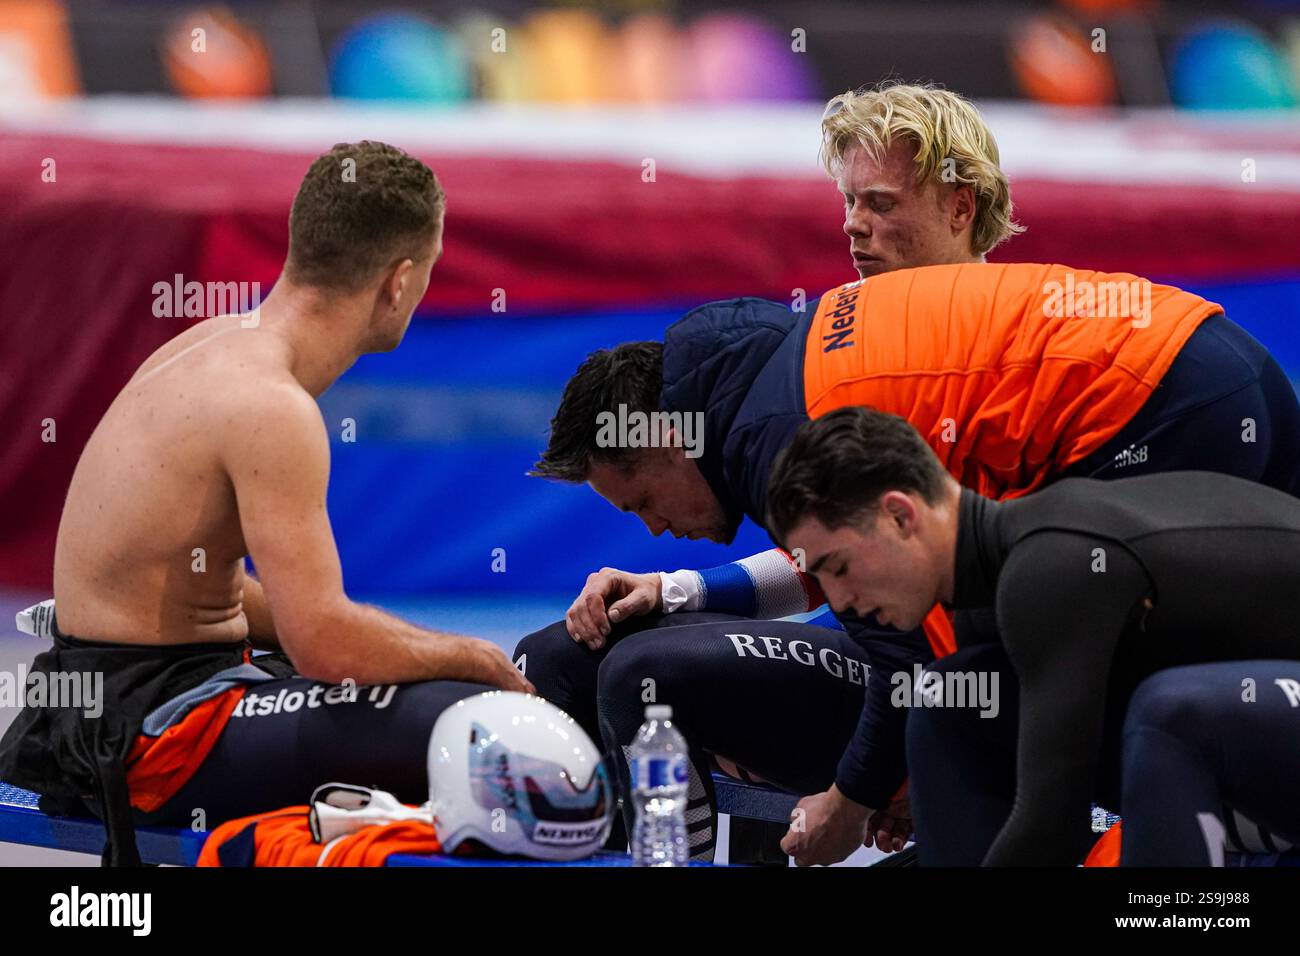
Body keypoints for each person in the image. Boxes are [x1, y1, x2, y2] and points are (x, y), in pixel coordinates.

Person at [0, 141, 531, 866]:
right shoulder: (272, 407)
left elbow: (215, 595)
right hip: (151, 732)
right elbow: (324, 644)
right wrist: (467, 657)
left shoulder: (210, 345)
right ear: (400, 282)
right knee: (477, 725)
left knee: (420, 687)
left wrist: (403, 648)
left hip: (101, 701)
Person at [766, 406, 1300, 865]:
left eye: (837, 567)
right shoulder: (993, 591)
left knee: (1170, 717)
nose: (838, 602)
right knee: (949, 700)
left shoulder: (1050, 561)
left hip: (1254, 733)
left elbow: (1055, 818)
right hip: (1262, 740)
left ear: (900, 516)